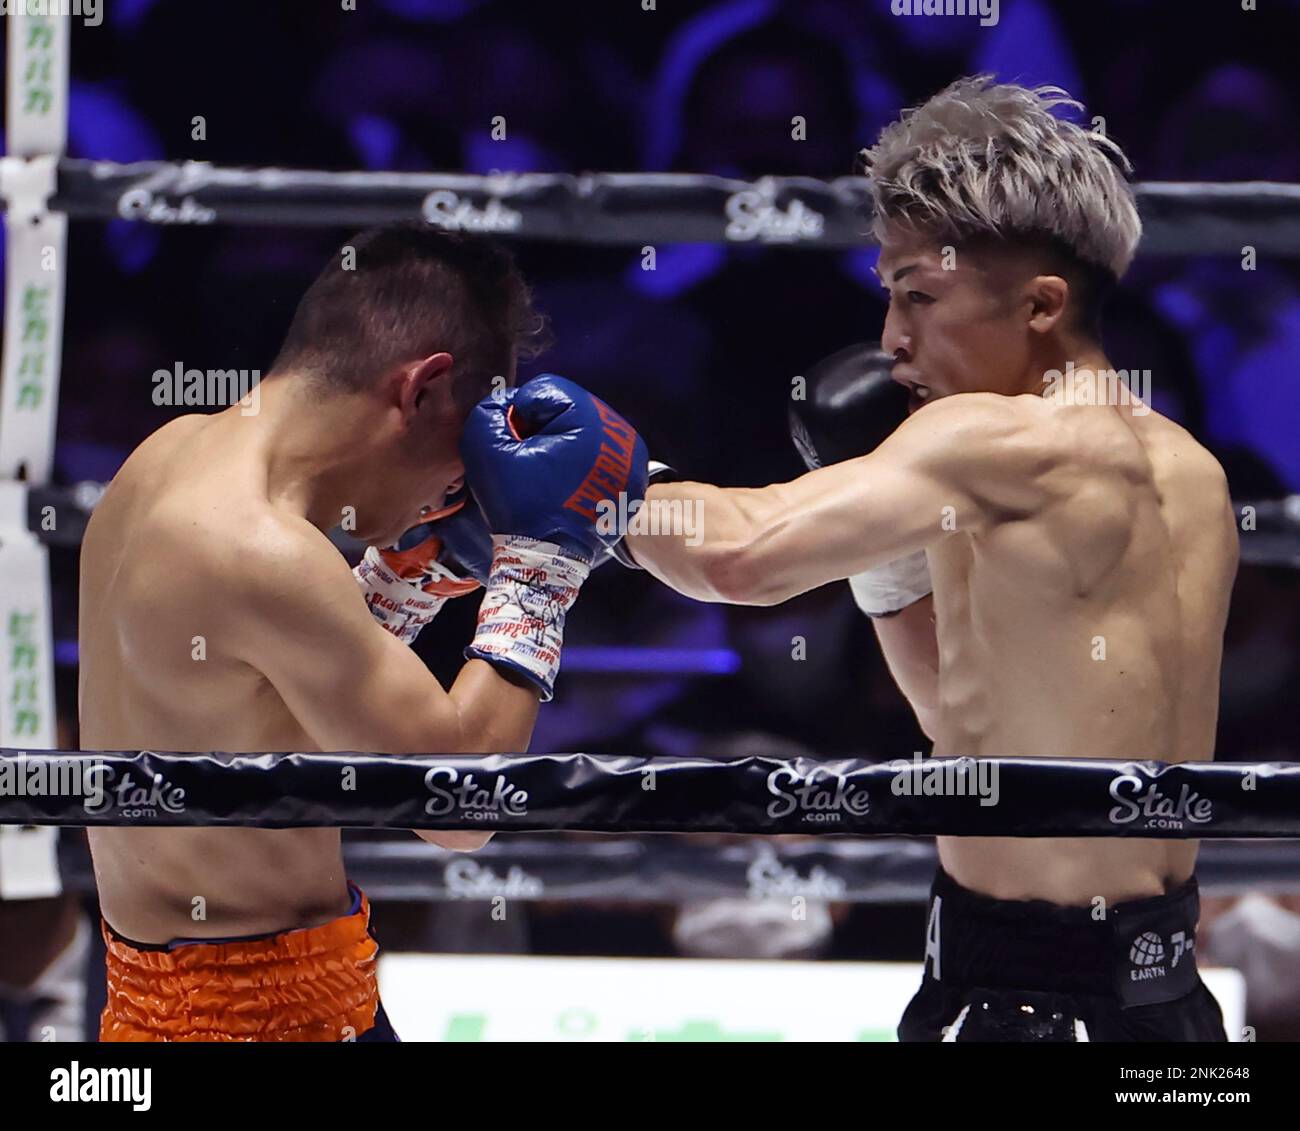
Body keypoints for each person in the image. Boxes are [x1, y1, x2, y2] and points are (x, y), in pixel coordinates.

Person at [598, 77, 1236, 1041]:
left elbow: (742, 556)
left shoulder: (996, 440)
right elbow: (963, 713)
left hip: (1021, 994)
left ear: (1041, 305)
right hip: (1164, 1000)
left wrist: (597, 485)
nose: (893, 341)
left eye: (920, 295)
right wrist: (890, 560)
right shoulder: (1193, 470)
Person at [80, 223, 646, 1041]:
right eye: (460, 466)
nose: (450, 498)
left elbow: (261, 703)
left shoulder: (167, 456)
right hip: (264, 1020)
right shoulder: (260, 549)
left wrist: (397, 585)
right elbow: (460, 806)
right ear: (421, 390)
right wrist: (541, 567)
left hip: (189, 996)